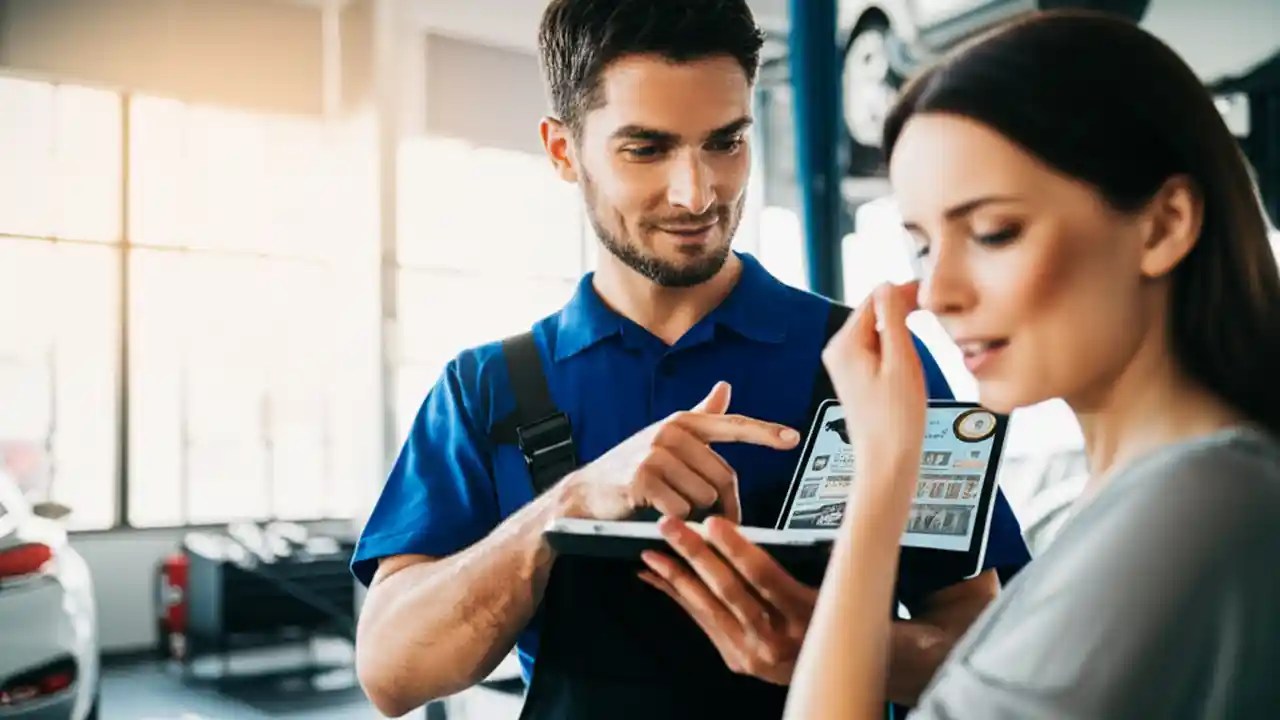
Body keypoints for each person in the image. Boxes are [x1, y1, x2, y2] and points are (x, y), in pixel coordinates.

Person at [351, 1, 1030, 718]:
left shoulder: (872, 363)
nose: (697, 193)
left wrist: (831, 644)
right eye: (646, 149)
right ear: (562, 151)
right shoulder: (488, 389)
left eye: (725, 142)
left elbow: (989, 646)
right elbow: (392, 675)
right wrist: (568, 504)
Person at [780, 10, 1280, 719]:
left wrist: (883, 479)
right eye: (923, 245)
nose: (938, 293)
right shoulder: (1145, 496)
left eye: (992, 232)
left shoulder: (1197, 507)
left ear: (1164, 225)